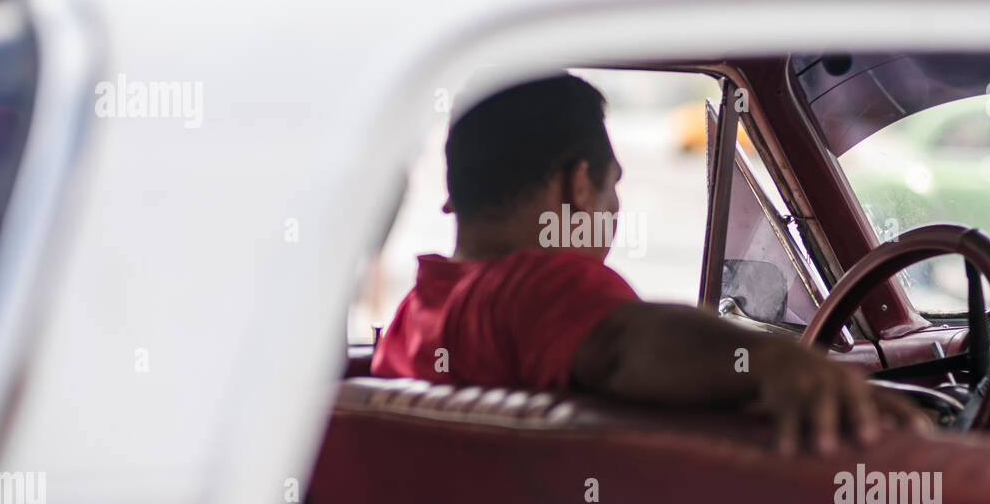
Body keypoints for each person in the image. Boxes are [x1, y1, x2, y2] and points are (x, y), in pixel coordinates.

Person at [372, 75, 926, 455]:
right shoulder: (539, 287)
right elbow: (624, 344)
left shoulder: (415, 312)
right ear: (578, 185)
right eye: (613, 185)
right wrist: (774, 363)